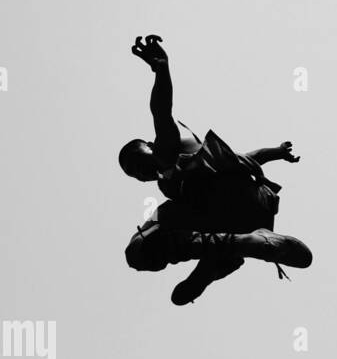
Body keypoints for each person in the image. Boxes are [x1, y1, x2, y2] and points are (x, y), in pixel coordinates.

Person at [120, 35, 312, 305]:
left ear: (150, 145)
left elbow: (161, 112)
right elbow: (246, 158)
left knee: (138, 248)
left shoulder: (168, 152)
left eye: (137, 162)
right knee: (181, 216)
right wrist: (277, 152)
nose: (140, 172)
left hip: (229, 200)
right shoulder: (188, 164)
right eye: (135, 174)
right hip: (251, 208)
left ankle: (219, 256)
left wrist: (161, 69)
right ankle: (233, 250)